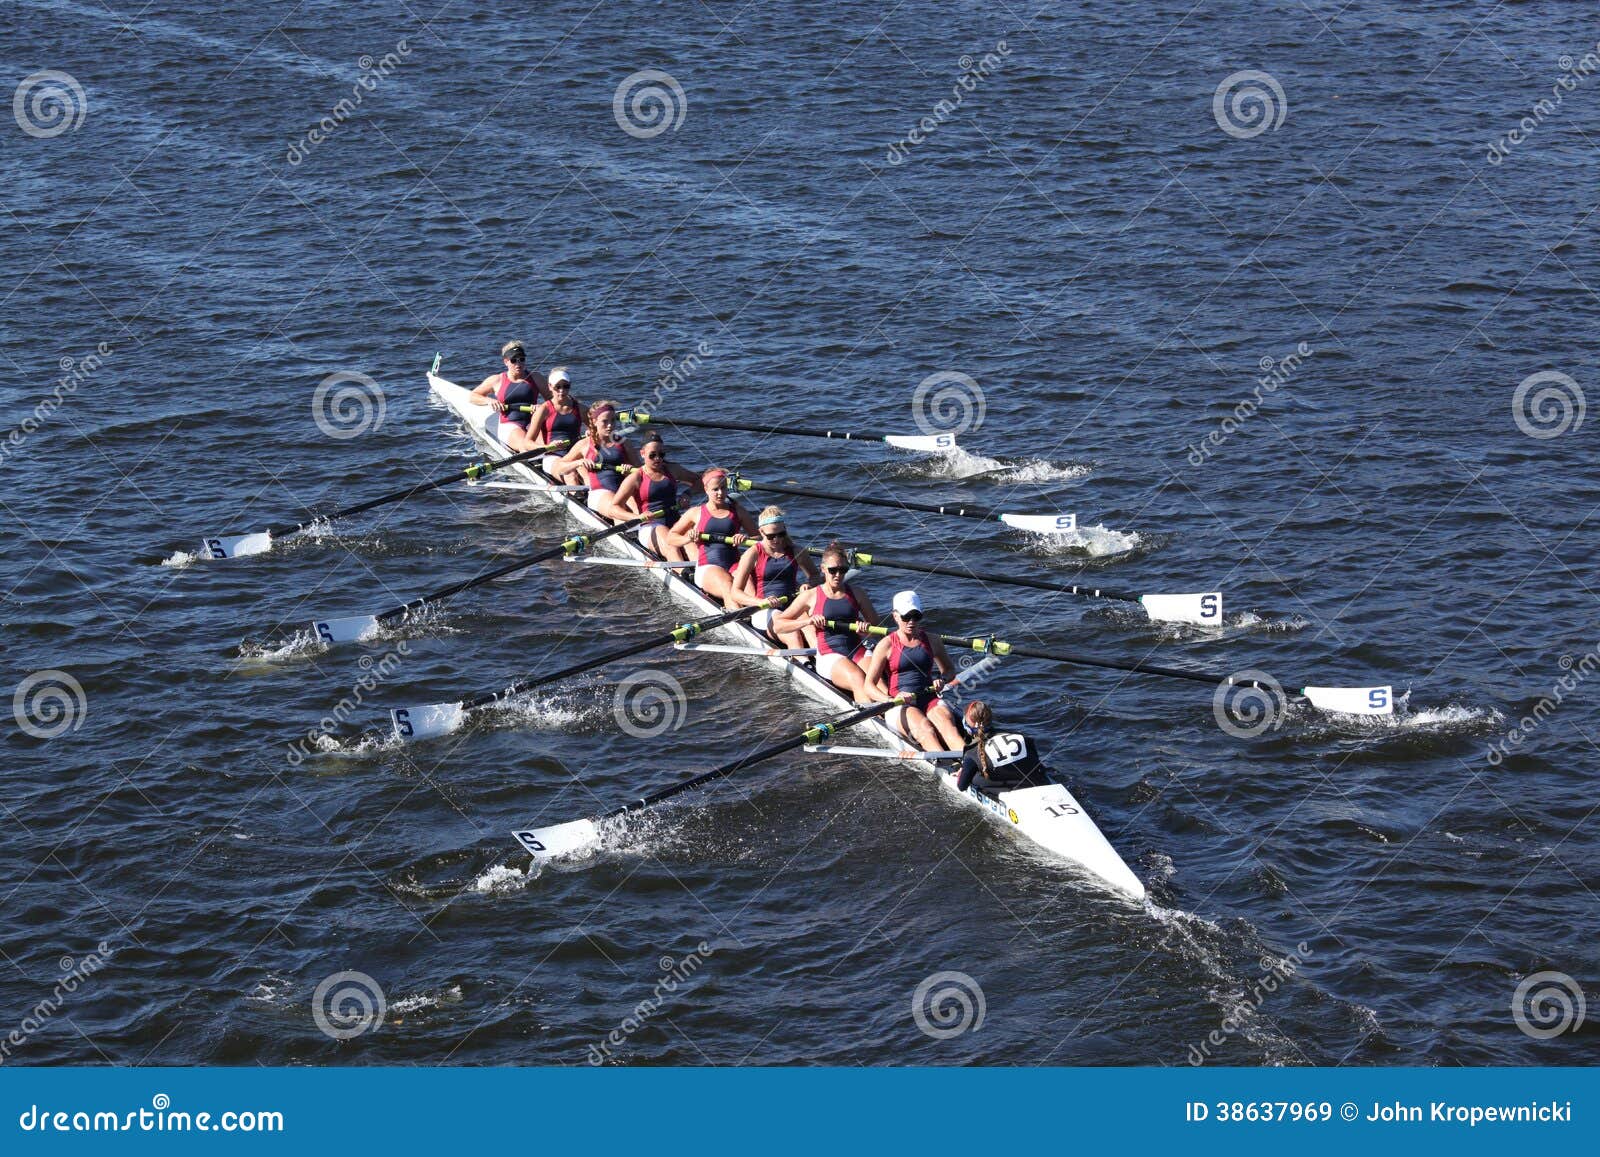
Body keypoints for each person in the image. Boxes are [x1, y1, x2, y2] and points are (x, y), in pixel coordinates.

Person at [862, 590, 965, 752]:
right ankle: (951, 770)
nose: (911, 621)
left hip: (929, 698)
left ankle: (971, 766)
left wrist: (942, 679)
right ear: (895, 616)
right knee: (926, 730)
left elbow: (950, 670)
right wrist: (890, 699)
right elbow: (868, 686)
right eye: (905, 617)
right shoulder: (886, 645)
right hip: (899, 705)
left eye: (915, 616)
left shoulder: (933, 640)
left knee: (948, 725)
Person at [775, 541, 880, 701]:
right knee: (858, 679)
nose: (838, 575)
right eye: (833, 570)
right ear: (822, 569)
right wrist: (807, 622)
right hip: (828, 655)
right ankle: (875, 718)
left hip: (857, 649)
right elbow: (779, 626)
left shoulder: (858, 593)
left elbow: (876, 627)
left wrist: (866, 630)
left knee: (879, 683)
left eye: (843, 570)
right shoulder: (810, 595)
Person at [726, 506, 820, 648]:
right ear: (761, 532)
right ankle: (805, 663)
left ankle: (821, 664)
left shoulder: (796, 550)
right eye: (771, 536)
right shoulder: (753, 553)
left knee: (812, 628)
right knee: (792, 634)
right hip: (763, 609)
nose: (777, 540)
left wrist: (807, 585)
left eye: (781, 534)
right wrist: (760, 601)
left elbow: (815, 576)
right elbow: (735, 593)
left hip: (792, 604)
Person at [664, 468, 757, 601]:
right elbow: (671, 537)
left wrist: (745, 539)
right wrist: (687, 538)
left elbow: (759, 538)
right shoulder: (695, 512)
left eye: (723, 488)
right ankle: (736, 618)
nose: (720, 493)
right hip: (707, 567)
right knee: (727, 586)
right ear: (706, 490)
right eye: (715, 489)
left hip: (734, 564)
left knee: (751, 592)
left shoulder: (738, 511)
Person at [610, 431, 702, 558]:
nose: (658, 458)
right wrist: (637, 517)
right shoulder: (635, 478)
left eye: (661, 454)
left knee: (694, 545)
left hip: (675, 520)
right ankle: (682, 572)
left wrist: (687, 494)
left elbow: (700, 481)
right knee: (670, 544)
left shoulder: (673, 469)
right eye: (652, 455)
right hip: (650, 525)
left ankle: (698, 572)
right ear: (642, 454)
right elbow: (613, 508)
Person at [552, 400, 641, 517]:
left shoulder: (625, 443)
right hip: (598, 493)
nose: (610, 425)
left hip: (623, 490)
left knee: (641, 509)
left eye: (613, 420)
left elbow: (641, 472)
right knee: (618, 508)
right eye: (605, 421)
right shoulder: (584, 444)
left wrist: (630, 471)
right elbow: (560, 469)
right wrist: (579, 462)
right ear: (594, 422)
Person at [953, 701, 1049, 795]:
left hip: (1007, 791)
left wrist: (963, 772)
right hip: (1036, 783)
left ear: (968, 727)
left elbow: (961, 787)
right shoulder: (1022, 737)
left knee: (975, 778)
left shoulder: (972, 753)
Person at [468, 340, 547, 452]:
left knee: (547, 442)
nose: (518, 364)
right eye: (514, 360)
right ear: (506, 362)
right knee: (525, 446)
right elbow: (472, 396)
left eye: (522, 359)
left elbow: (553, 401)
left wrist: (542, 408)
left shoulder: (536, 377)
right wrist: (489, 401)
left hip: (533, 421)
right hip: (510, 424)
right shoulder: (497, 380)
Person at [525, 369, 584, 473]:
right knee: (571, 474)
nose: (562, 390)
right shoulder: (543, 410)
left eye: (565, 386)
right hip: (553, 456)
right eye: (558, 387)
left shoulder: (580, 408)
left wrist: (592, 433)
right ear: (550, 387)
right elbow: (527, 443)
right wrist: (548, 447)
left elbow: (596, 431)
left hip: (575, 454)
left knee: (586, 472)